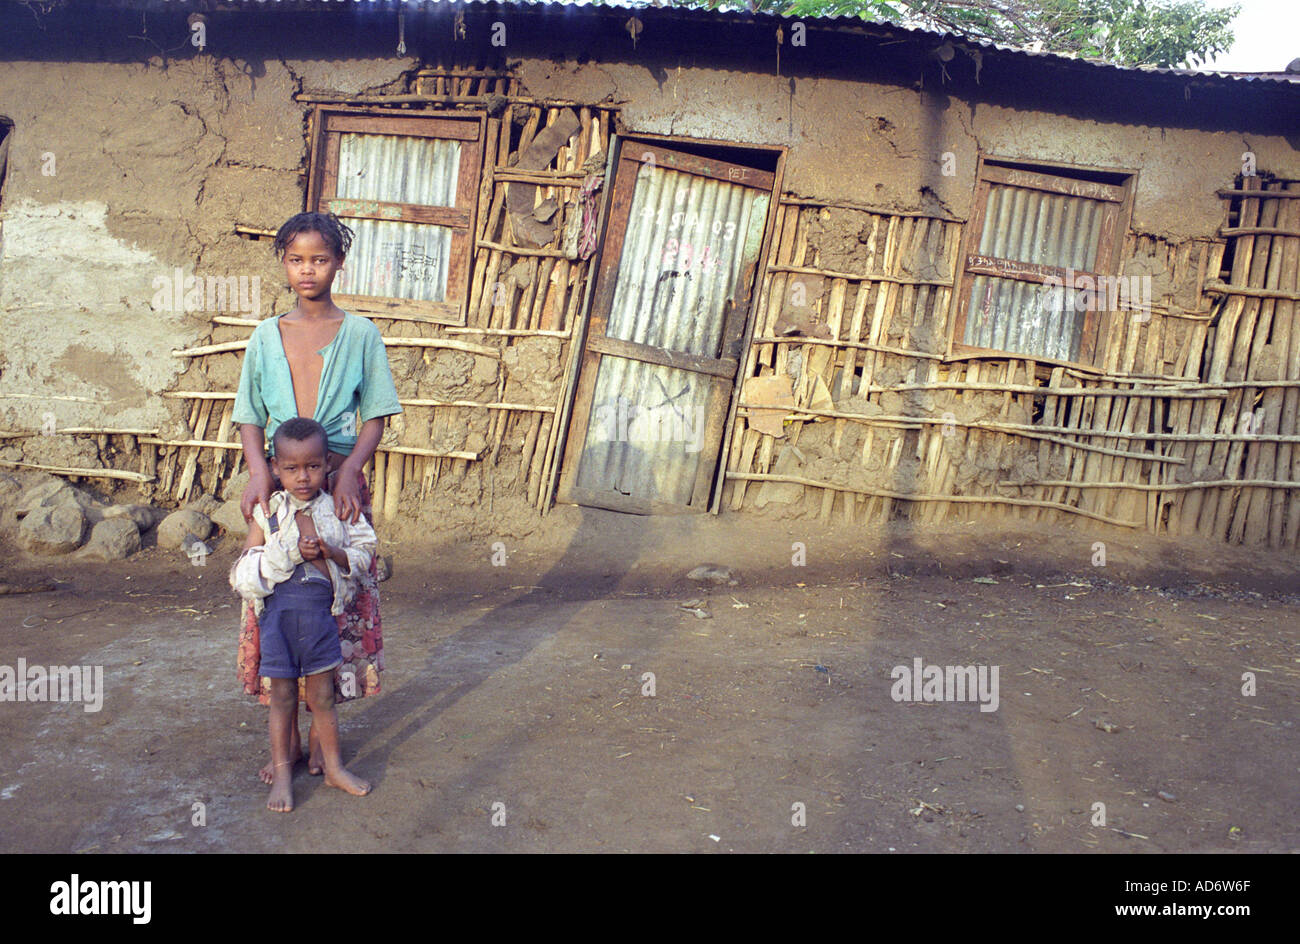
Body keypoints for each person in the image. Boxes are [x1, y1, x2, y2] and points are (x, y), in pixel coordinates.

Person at [232, 211, 401, 784]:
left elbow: (377, 413)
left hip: (338, 489)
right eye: (297, 259)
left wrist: (350, 470)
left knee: (337, 599)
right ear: (284, 263)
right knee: (277, 597)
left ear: (339, 264)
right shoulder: (264, 335)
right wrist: (259, 473)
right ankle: (286, 745)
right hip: (282, 485)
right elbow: (251, 418)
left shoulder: (361, 334)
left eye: (320, 259)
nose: (308, 269)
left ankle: (324, 748)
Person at [230, 417, 376, 812]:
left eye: (312, 466)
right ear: (275, 468)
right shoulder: (269, 514)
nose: (303, 477)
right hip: (277, 623)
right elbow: (244, 573)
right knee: (281, 698)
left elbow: (365, 551)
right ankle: (281, 774)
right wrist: (289, 554)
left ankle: (333, 768)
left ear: (328, 463)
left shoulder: (338, 508)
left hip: (320, 622)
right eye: (291, 468)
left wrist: (332, 552)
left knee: (323, 698)